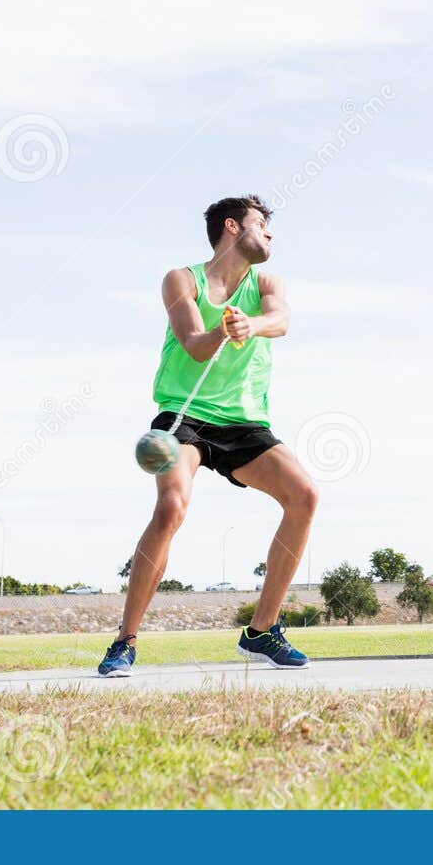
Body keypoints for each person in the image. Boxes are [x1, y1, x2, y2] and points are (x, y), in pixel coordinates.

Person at [98, 195, 317, 676]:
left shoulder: (265, 284)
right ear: (233, 227)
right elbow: (196, 346)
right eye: (262, 224)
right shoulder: (181, 279)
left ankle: (261, 632)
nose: (271, 234)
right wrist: (224, 329)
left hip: (243, 423)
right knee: (171, 508)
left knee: (304, 496)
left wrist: (251, 323)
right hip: (185, 415)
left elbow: (280, 321)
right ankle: (124, 641)